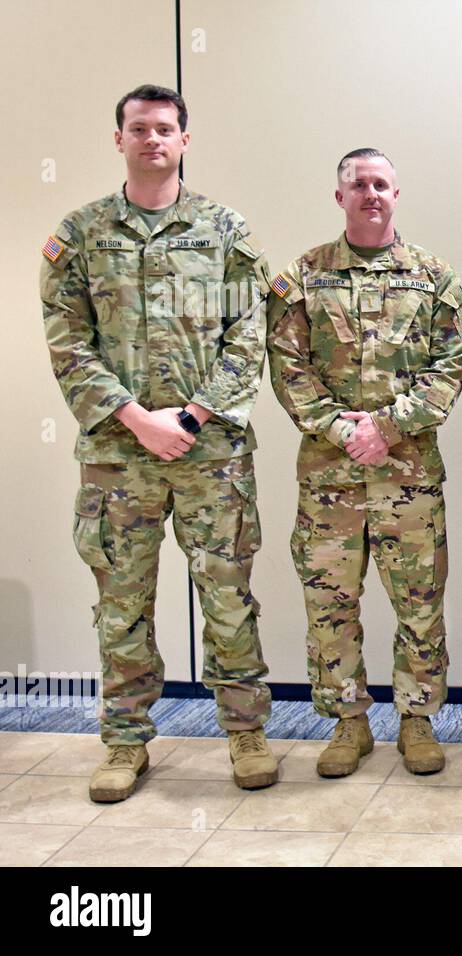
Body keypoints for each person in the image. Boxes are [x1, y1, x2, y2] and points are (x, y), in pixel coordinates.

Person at [40, 85, 277, 802]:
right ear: (118, 139)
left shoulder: (225, 230)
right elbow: (68, 343)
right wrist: (138, 418)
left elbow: (250, 332)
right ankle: (123, 741)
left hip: (212, 455)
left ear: (184, 140)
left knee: (228, 597)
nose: (152, 139)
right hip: (118, 457)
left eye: (165, 129)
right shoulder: (78, 236)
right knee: (121, 601)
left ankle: (246, 733)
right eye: (138, 128)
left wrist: (195, 415)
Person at [267, 148, 462, 777]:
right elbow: (287, 365)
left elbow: (451, 366)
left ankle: (416, 721)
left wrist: (385, 428)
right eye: (359, 185)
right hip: (330, 477)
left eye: (381, 184)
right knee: (330, 603)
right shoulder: (302, 276)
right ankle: (348, 723)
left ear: (397, 193)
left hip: (408, 477)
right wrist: (336, 426)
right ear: (339, 197)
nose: (371, 194)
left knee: (419, 601)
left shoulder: (434, 278)